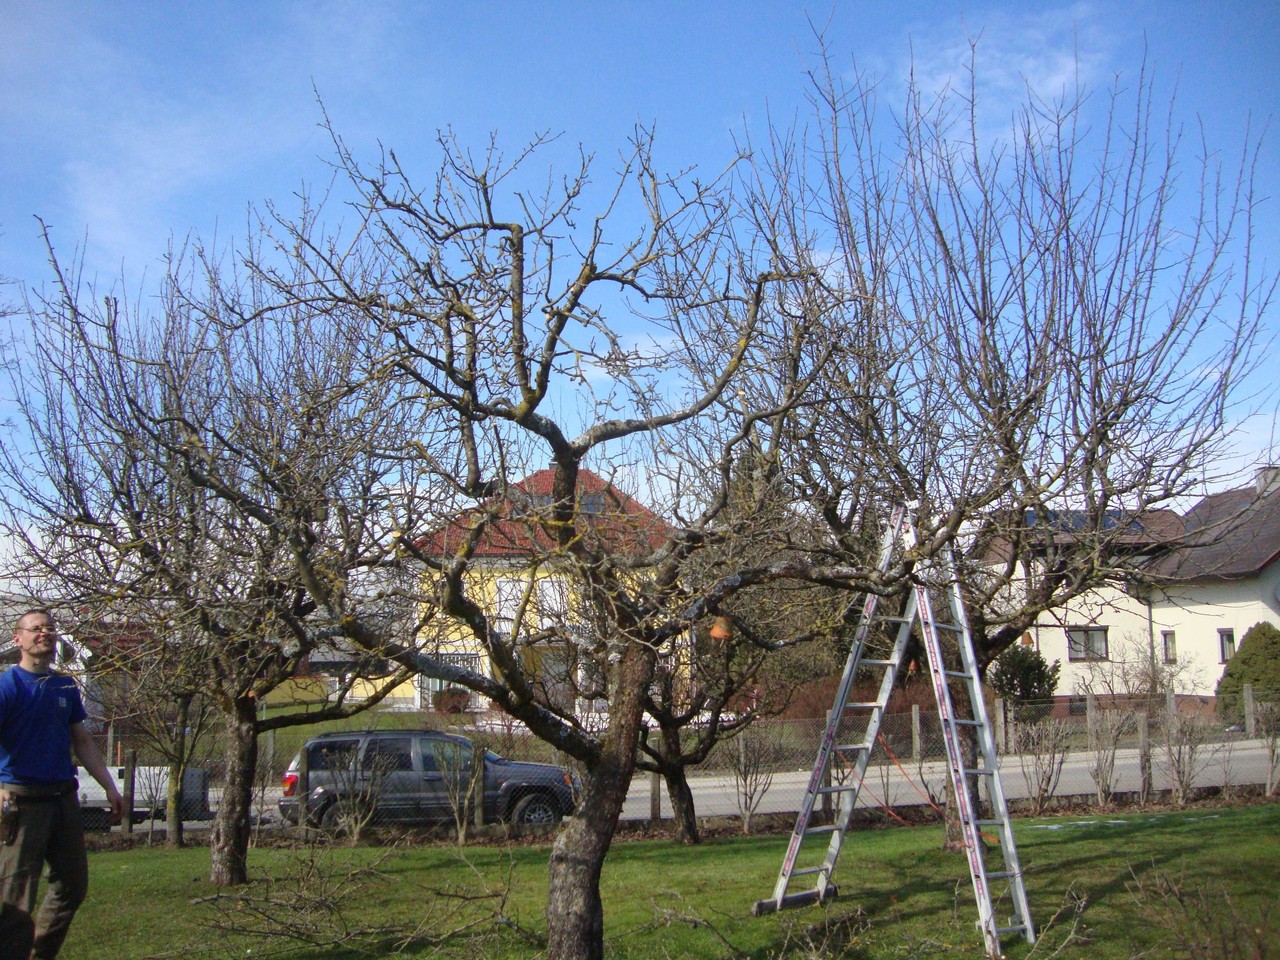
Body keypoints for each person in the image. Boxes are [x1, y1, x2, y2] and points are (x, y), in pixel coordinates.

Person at [0, 609, 125, 959]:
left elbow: (81, 740)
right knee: (16, 897)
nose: (45, 633)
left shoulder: (65, 686)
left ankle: (38, 954)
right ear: (18, 639)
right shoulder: (7, 686)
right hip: (22, 802)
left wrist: (110, 787)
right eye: (36, 628)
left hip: (62, 798)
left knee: (72, 885)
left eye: (50, 628)